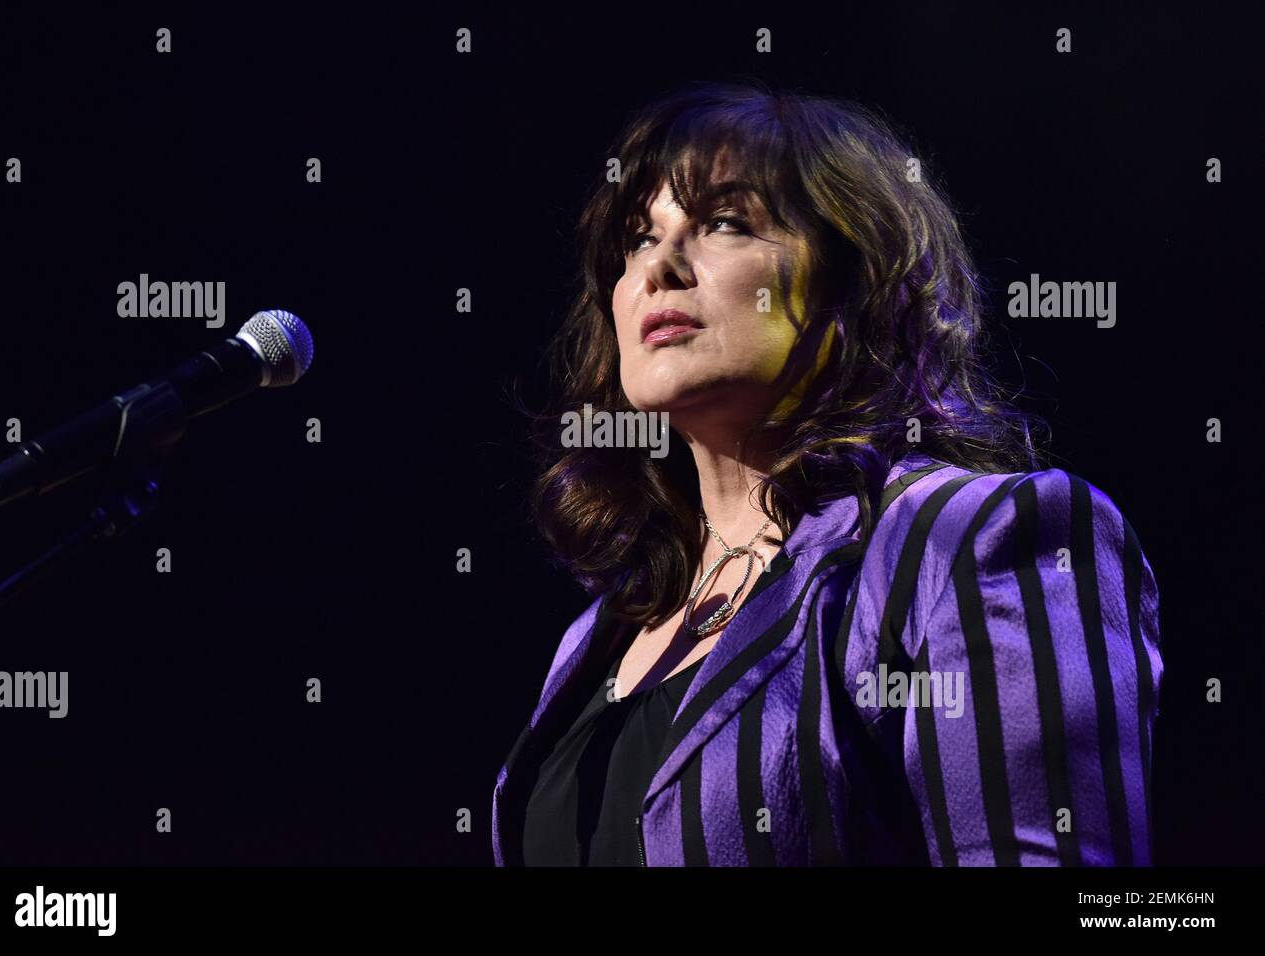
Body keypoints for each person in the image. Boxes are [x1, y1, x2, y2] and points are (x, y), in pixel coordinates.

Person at [492, 81, 1162, 866]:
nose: (659, 267)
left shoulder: (975, 540)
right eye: (639, 238)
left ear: (851, 281)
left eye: (724, 223)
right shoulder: (601, 632)